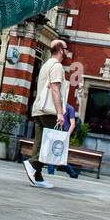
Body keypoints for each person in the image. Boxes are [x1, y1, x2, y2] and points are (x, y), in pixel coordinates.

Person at [26, 39, 70, 187]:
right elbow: (55, 89)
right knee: (54, 142)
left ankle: (37, 177)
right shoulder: (57, 66)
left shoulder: (46, 64)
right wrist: (59, 113)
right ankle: (32, 164)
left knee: (39, 143)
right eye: (66, 48)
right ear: (61, 50)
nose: (67, 50)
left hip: (39, 109)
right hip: (49, 110)